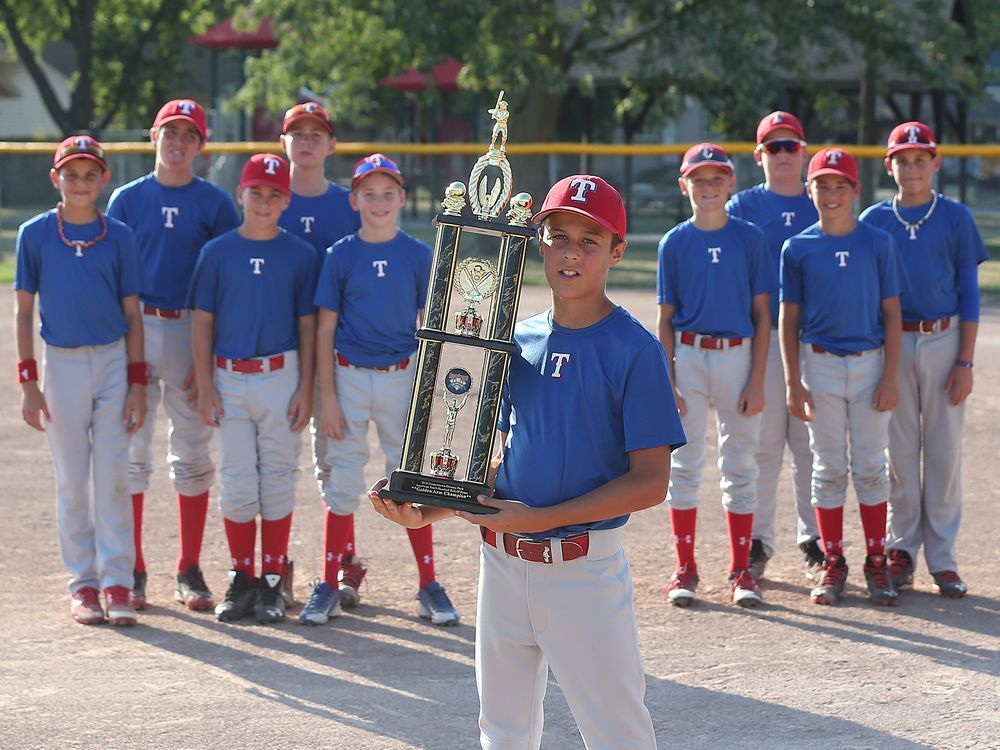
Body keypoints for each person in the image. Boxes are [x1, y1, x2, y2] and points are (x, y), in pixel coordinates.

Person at [370, 174, 685, 749]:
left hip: (583, 569)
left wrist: (539, 520)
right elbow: (508, 463)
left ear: (618, 250)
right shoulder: (517, 341)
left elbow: (650, 483)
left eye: (591, 240)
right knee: (503, 731)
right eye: (558, 235)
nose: (571, 252)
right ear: (537, 242)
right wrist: (431, 508)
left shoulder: (635, 350)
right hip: (502, 565)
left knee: (618, 734)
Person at [302, 154, 457, 626]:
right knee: (343, 481)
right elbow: (325, 330)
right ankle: (330, 581)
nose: (379, 201)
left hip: (401, 373)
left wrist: (428, 393)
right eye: (369, 193)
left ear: (402, 198)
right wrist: (326, 396)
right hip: (348, 375)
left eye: (388, 192)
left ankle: (429, 584)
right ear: (354, 200)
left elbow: (432, 323)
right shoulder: (341, 254)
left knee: (410, 476)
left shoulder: (416, 253)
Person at [107, 99, 240, 610]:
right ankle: (133, 566)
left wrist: (206, 361)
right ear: (153, 136)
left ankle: (188, 567)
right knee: (132, 450)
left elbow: (224, 285)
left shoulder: (215, 203)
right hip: (138, 325)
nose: (178, 143)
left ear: (200, 145)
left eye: (189, 135)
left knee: (192, 451)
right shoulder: (126, 199)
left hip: (190, 329)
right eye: (170, 132)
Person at [15, 136, 147, 625]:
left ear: (103, 179)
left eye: (90, 174)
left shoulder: (119, 236)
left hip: (112, 360)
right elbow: (24, 309)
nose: (81, 183)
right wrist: (28, 380)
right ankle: (83, 583)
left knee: (112, 475)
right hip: (62, 363)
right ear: (56, 178)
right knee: (72, 480)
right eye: (71, 174)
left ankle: (117, 580)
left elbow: (132, 312)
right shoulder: (35, 233)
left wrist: (137, 382)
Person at [187, 153, 318, 624]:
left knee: (279, 477)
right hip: (228, 376)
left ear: (285, 200)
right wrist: (205, 387)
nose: (263, 202)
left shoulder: (299, 253)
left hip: (280, 375)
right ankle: (241, 574)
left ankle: (272, 578)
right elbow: (202, 324)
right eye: (255, 192)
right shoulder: (218, 252)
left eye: (273, 194)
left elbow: (307, 327)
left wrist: (306, 385)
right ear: (240, 194)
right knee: (239, 480)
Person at [859, 121, 987, 598]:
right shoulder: (874, 220)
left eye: (920, 158)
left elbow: (969, 294)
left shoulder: (955, 217)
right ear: (889, 165)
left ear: (935, 163)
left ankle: (944, 558)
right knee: (899, 450)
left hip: (943, 339)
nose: (911, 167)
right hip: (893, 344)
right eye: (902, 159)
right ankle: (902, 548)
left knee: (943, 451)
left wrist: (966, 362)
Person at [780, 148, 904, 606]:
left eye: (840, 186)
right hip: (821, 363)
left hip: (871, 362)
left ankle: (877, 559)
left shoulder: (877, 242)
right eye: (822, 185)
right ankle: (833, 560)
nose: (831, 194)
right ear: (808, 190)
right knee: (828, 466)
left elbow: (892, 312)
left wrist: (890, 375)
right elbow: (788, 319)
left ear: (856, 190)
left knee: (872, 465)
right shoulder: (798, 247)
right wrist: (794, 382)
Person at [657, 144, 774, 608]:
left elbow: (763, 314)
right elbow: (665, 319)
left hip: (738, 354)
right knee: (684, 465)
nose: (707, 188)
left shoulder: (750, 238)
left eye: (716, 178)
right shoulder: (675, 241)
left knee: (740, 463)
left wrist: (758, 378)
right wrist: (667, 378)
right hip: (689, 353)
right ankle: (685, 568)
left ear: (731, 183)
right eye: (698, 179)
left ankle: (742, 570)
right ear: (684, 185)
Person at [727, 112, 823, 582]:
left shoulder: (823, 199)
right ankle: (759, 539)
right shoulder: (742, 206)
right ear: (759, 155)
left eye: (790, 146)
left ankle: (815, 539)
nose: (783, 155)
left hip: (814, 339)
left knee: (810, 445)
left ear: (803, 152)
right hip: (761, 338)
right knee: (762, 445)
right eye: (773, 147)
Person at [278, 100, 362, 603]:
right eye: (297, 132)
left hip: (338, 347)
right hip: (278, 344)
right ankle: (275, 565)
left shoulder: (347, 203)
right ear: (282, 142)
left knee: (337, 458)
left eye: (317, 133)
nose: (306, 140)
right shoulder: (264, 196)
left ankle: (344, 563)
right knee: (281, 460)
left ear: (331, 145)